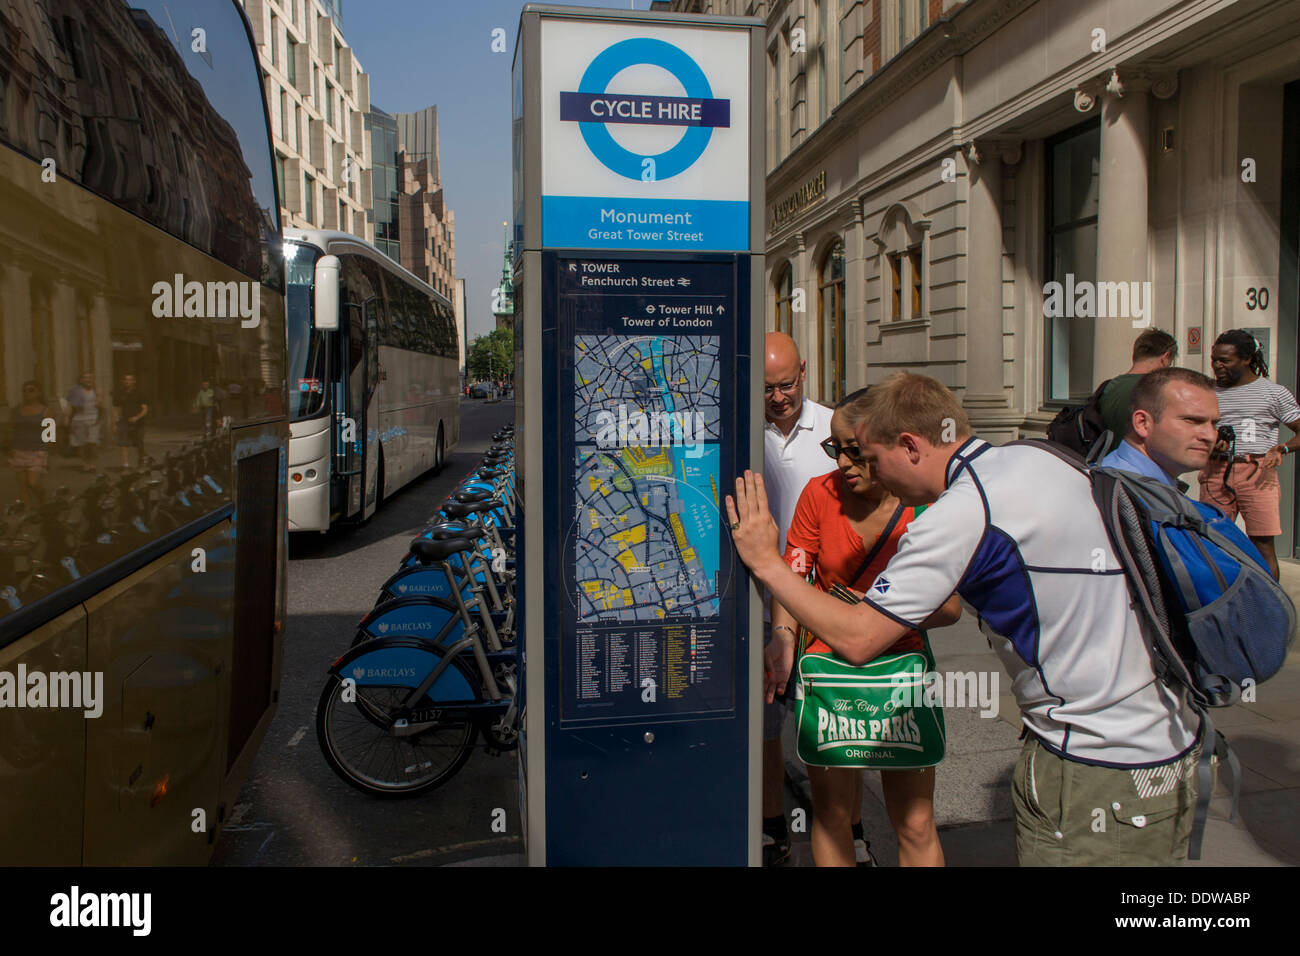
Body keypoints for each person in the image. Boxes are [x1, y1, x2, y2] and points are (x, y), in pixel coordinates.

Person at [727, 372, 1203, 866]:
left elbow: (861, 637)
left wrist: (765, 562)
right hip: (1167, 738)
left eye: (873, 459)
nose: (872, 474)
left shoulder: (957, 513)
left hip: (1094, 761)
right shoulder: (1037, 457)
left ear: (910, 446)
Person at [771, 387, 960, 866]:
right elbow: (794, 573)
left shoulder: (924, 500)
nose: (843, 463)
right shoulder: (820, 494)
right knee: (833, 811)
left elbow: (951, 606)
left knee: (915, 821)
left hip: (901, 670)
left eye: (854, 451)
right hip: (830, 669)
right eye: (834, 449)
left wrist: (878, 612)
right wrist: (784, 635)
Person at [759, 331, 835, 866]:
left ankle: (847, 826)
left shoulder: (834, 430)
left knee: (828, 722)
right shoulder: (744, 427)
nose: (778, 397)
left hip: (824, 600)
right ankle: (771, 827)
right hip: (763, 599)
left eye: (786, 385)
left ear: (803, 371)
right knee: (768, 721)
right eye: (767, 388)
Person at [1199, 329, 1300, 580]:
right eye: (1214, 360)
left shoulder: (1273, 392)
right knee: (1212, 540)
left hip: (1257, 473)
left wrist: (1281, 449)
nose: (1217, 366)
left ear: (1246, 359)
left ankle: (1270, 605)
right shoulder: (1206, 392)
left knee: (1262, 543)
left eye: (1225, 360)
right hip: (1216, 471)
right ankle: (1220, 600)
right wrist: (1212, 442)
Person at [1100, 367, 1218, 487]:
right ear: (1142, 423)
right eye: (1192, 420)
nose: (1210, 436)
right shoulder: (1115, 491)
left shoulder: (1142, 487)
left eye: (1214, 424)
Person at [1098, 329, 1179, 452]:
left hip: (1107, 463)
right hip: (1139, 466)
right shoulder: (1155, 389)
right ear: (1165, 358)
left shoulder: (1109, 386)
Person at [8, 381, 52, 506]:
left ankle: (42, 497)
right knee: (22, 485)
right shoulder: (16, 409)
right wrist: (10, 448)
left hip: (38, 451)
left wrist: (49, 456)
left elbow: (50, 435)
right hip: (19, 450)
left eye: (31, 390)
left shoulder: (46, 411)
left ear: (39, 393)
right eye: (25, 390)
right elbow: (12, 429)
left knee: (32, 483)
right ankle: (27, 513)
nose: (27, 393)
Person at [65, 371, 101, 472]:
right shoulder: (75, 391)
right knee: (82, 444)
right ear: (81, 380)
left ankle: (92, 463)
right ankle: (85, 463)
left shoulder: (96, 391)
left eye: (90, 378)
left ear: (93, 379)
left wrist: (100, 405)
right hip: (79, 420)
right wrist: (67, 418)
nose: (87, 380)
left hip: (93, 420)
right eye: (85, 378)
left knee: (93, 443)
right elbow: (69, 405)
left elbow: (101, 406)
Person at [114, 374, 149, 469]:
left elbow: (145, 409)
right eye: (125, 380)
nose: (127, 382)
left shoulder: (140, 393)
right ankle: (125, 464)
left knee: (138, 441)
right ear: (123, 381)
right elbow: (117, 408)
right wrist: (115, 421)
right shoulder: (120, 393)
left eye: (130, 380)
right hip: (124, 421)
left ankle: (141, 459)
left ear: (134, 381)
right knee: (123, 442)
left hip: (139, 422)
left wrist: (137, 417)